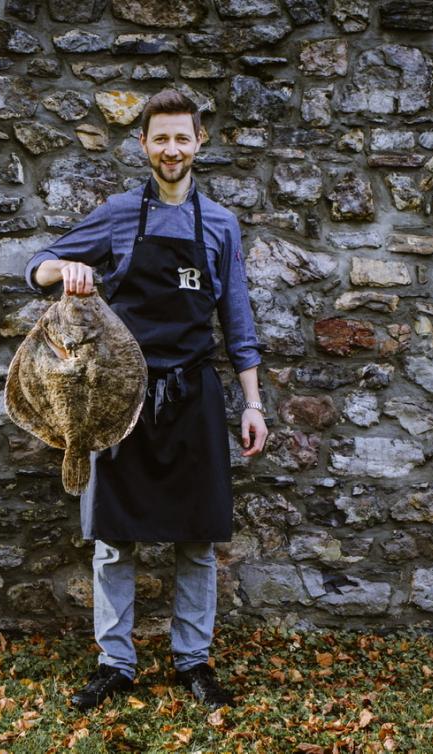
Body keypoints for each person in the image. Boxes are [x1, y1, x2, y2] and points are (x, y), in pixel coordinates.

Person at [23, 89, 268, 712]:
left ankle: (194, 661)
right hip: (118, 397)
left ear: (199, 142)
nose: (171, 149)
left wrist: (253, 405)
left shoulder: (220, 224)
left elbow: (238, 324)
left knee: (198, 540)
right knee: (114, 540)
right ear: (143, 145)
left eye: (182, 137)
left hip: (194, 395)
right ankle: (116, 663)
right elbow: (37, 266)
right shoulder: (117, 214)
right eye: (161, 138)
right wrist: (67, 270)